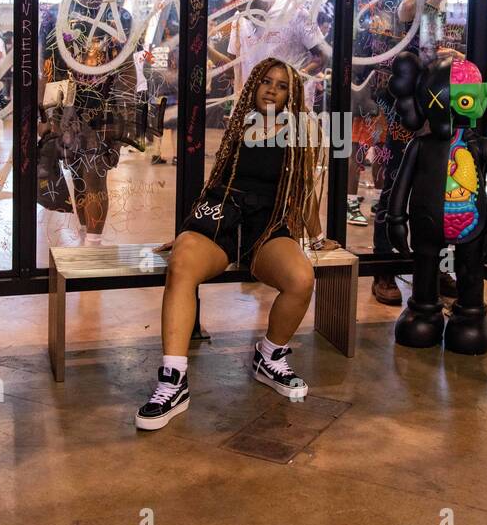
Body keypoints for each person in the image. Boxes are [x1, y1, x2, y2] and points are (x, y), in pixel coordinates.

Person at [136, 57, 339, 431]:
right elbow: (219, 179)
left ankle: (270, 355)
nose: (272, 89)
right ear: (254, 85)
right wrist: (188, 231)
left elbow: (305, 189)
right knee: (182, 264)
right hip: (222, 214)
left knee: (301, 279)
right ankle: (173, 378)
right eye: (266, 81)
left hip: (267, 224)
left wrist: (317, 235)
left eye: (281, 85)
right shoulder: (240, 123)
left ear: (291, 95)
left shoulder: (300, 132)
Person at [370, 0, 464, 305]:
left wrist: (449, 59)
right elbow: (409, 7)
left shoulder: (444, 13)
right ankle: (383, 268)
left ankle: (436, 268)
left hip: (435, 112)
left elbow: (430, 56)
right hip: (403, 111)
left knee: (435, 192)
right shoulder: (414, 2)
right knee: (394, 189)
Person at [39, 0, 138, 245]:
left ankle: (93, 244)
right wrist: (45, 116)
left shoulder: (120, 17)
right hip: (65, 110)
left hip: (104, 109)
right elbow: (46, 70)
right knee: (79, 175)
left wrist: (124, 116)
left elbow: (127, 69)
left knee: (95, 174)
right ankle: (86, 238)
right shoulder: (56, 15)